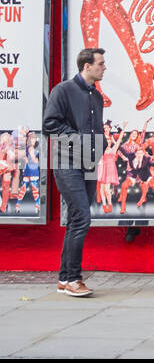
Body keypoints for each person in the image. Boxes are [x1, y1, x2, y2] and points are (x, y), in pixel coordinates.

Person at [42, 48, 106, 297]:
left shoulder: (97, 97)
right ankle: (73, 279)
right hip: (67, 163)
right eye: (100, 63)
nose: (104, 68)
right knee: (81, 217)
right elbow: (50, 124)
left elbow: (96, 127)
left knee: (76, 220)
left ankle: (64, 280)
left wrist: (102, 145)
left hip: (89, 164)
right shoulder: (63, 90)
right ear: (86, 66)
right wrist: (78, 140)